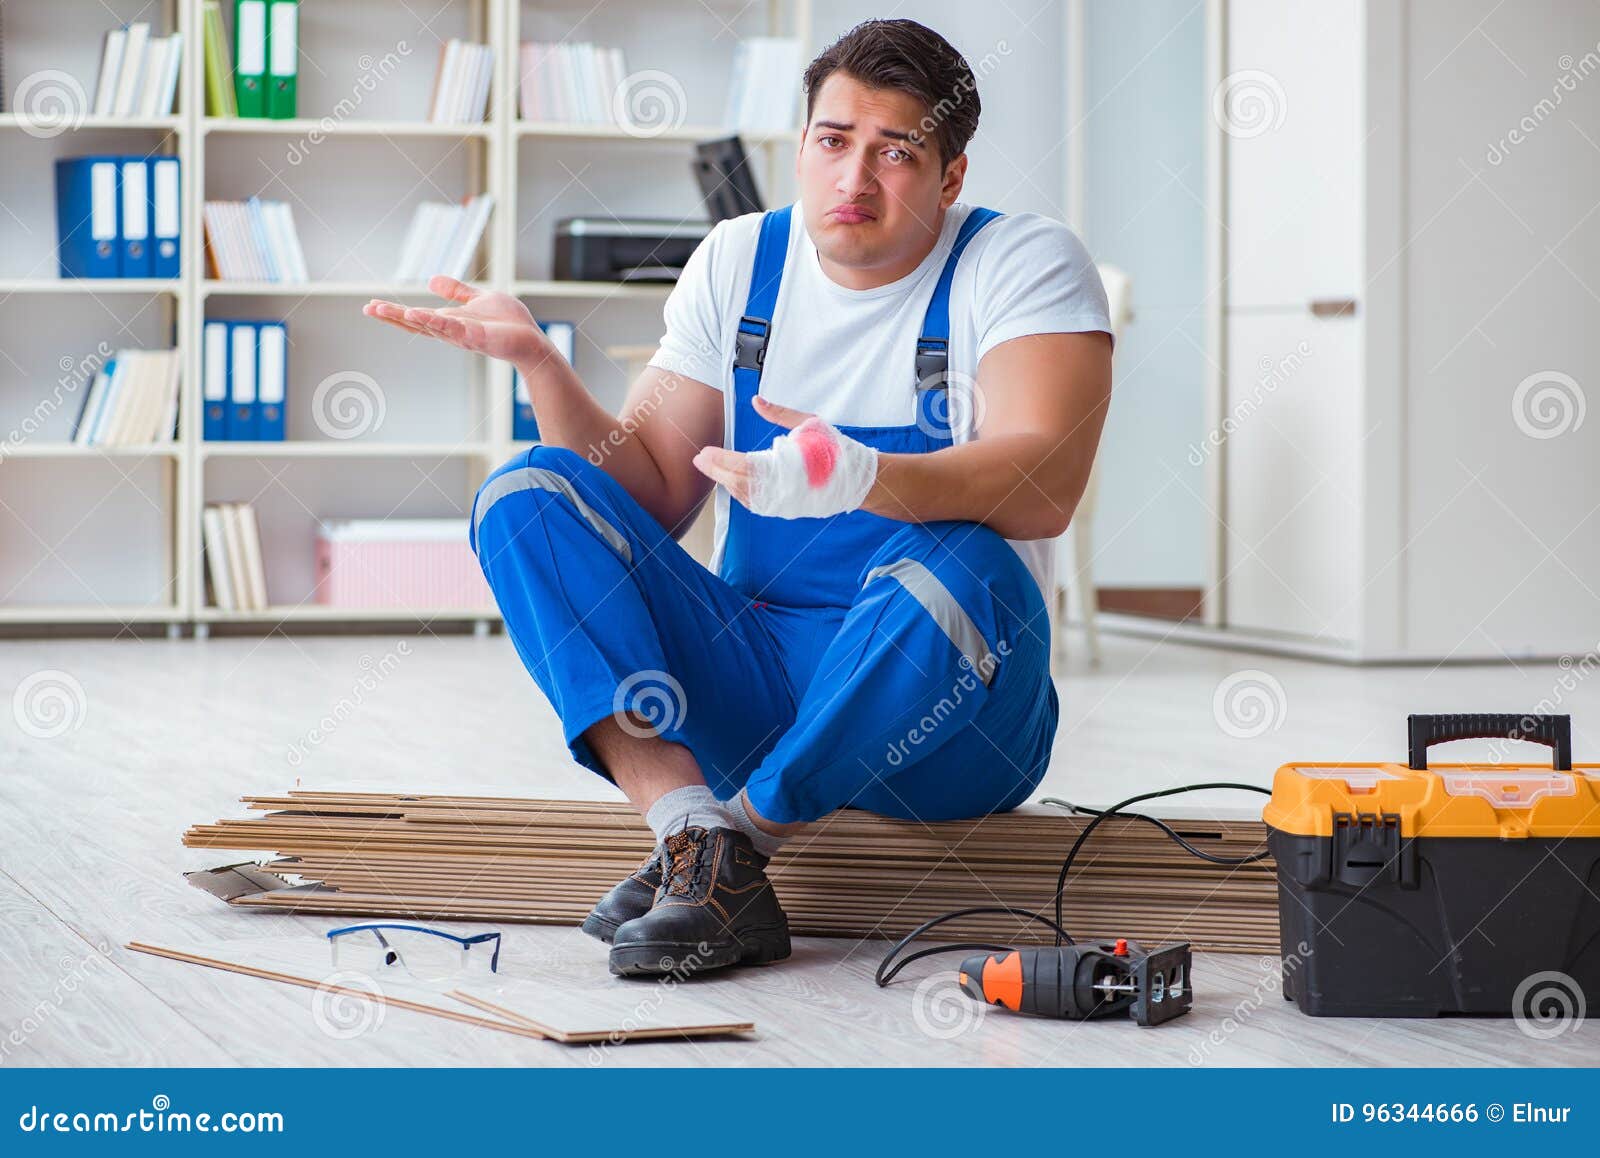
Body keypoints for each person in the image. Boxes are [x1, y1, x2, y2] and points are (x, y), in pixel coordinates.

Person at [365, 18, 1113, 978]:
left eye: (897, 153)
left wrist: (865, 477)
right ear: (800, 146)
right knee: (526, 494)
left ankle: (739, 850)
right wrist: (541, 365)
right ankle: (690, 833)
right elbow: (648, 493)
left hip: (952, 717)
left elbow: (1043, 484)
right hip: (755, 684)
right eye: (835, 142)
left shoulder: (1021, 263)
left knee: (966, 559)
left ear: (951, 177)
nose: (855, 180)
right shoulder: (738, 260)